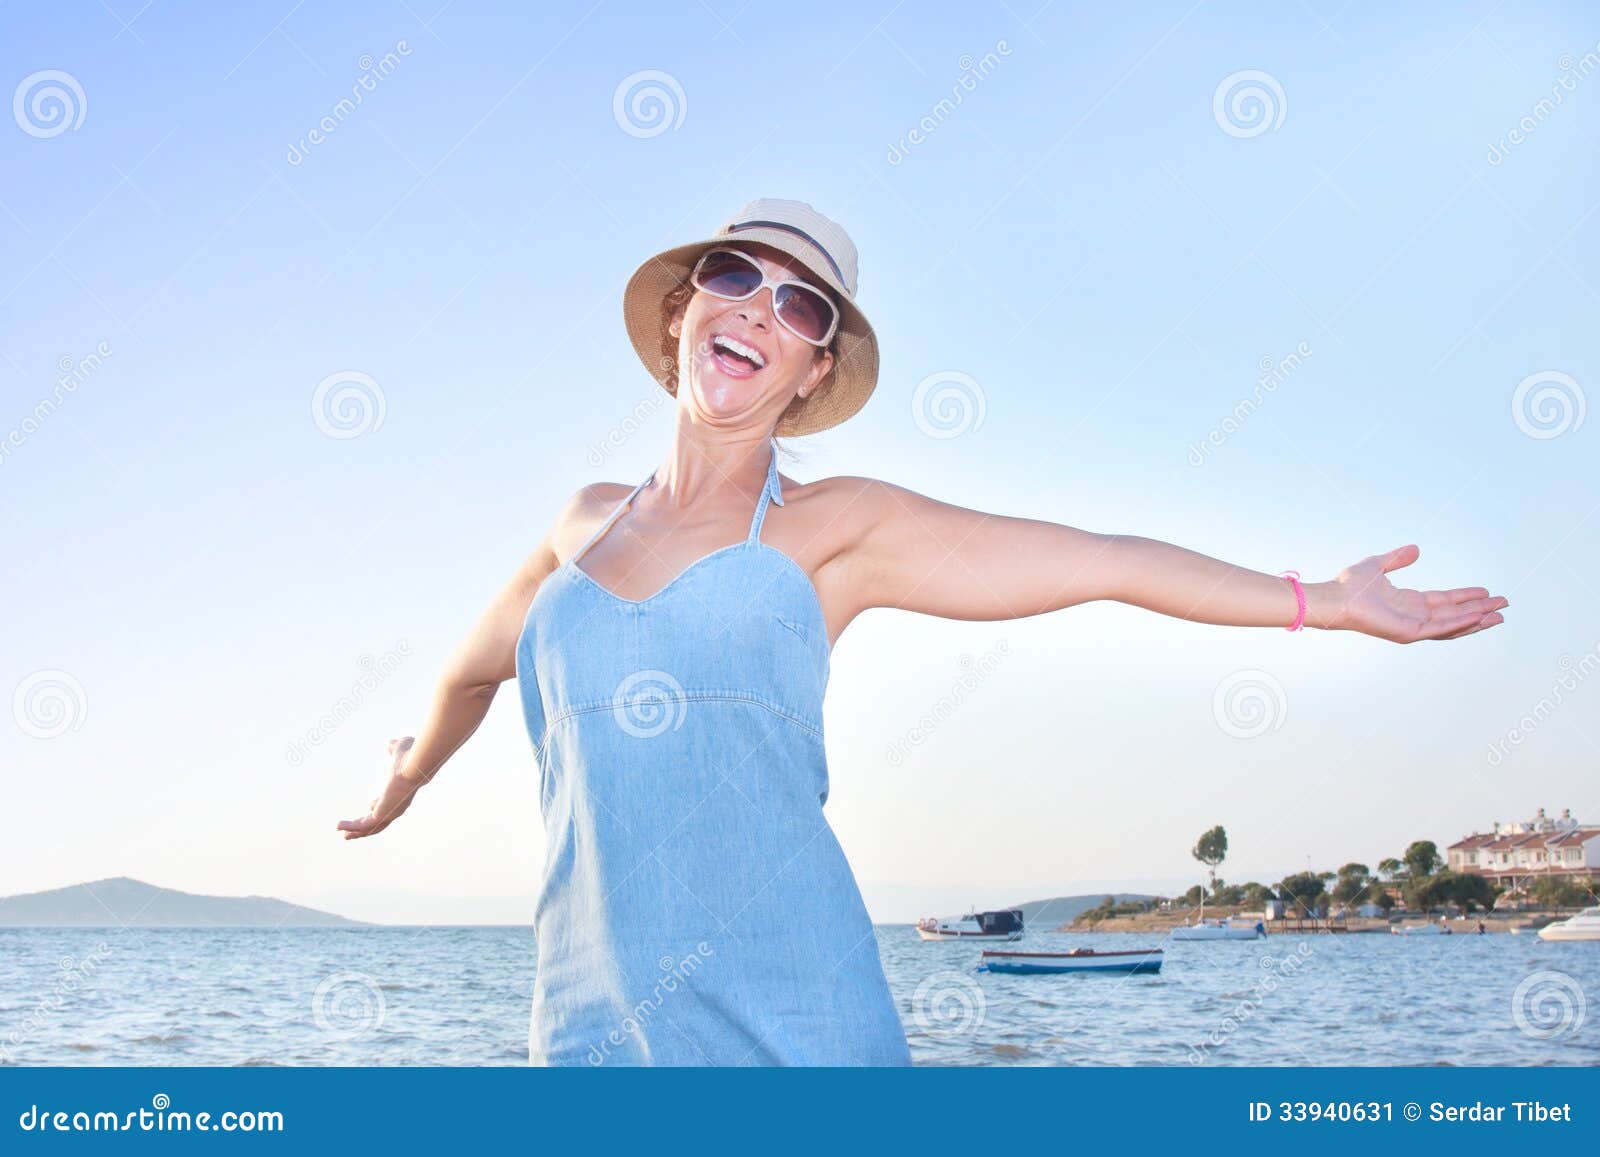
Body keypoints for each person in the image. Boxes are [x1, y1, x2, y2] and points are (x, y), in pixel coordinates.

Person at [336, 198, 1508, 1065]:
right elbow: (474, 664)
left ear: (811, 368)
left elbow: (1101, 561)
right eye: (734, 274)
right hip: (588, 1027)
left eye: (798, 303)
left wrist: (1322, 600)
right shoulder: (580, 524)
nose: (757, 305)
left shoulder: (842, 527)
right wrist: (406, 772)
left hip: (796, 1022)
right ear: (685, 309)